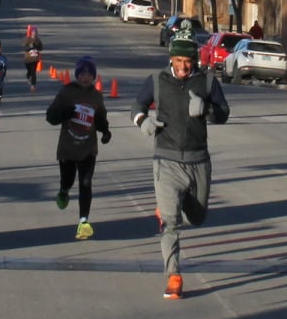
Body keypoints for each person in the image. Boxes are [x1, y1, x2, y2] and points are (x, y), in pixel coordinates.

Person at [131, 29, 230, 299]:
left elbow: (223, 114)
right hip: (167, 160)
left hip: (198, 160)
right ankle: (173, 275)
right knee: (171, 224)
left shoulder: (207, 82)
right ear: (171, 59)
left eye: (188, 61)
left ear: (195, 59)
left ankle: (174, 207)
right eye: (178, 60)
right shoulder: (157, 80)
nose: (184, 66)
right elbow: (137, 106)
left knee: (196, 217)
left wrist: (207, 111)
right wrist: (143, 121)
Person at [46, 55, 111, 239]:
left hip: (88, 149)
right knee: (68, 179)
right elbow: (51, 116)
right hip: (67, 148)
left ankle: (83, 221)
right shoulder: (67, 92)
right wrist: (65, 113)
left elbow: (100, 119)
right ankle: (64, 191)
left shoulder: (96, 96)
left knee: (86, 183)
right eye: (82, 73)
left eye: (90, 74)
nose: (86, 77)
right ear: (77, 74)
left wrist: (105, 132)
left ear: (94, 77)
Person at [23, 25, 44, 92]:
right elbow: (24, 47)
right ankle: (28, 76)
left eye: (35, 32)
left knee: (33, 72)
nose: (34, 33)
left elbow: (41, 48)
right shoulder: (27, 39)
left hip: (35, 59)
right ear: (30, 32)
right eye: (33, 32)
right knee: (29, 71)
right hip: (28, 59)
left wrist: (36, 46)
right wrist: (29, 47)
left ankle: (33, 85)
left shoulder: (38, 40)